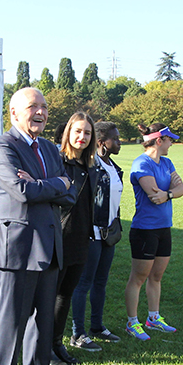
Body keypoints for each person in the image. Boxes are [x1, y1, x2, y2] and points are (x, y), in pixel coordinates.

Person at [0, 87, 76, 365]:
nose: (40, 112)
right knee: (12, 322)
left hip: (50, 245)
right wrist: (55, 184)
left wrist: (49, 184)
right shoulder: (2, 146)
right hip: (17, 250)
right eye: (32, 106)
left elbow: (71, 193)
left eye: (44, 106)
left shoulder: (50, 148)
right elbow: (21, 191)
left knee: (43, 318)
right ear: (13, 113)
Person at [124, 123, 183, 341]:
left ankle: (153, 317)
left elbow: (180, 190)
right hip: (145, 229)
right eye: (170, 140)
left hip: (164, 228)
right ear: (159, 140)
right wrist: (171, 192)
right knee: (138, 277)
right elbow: (154, 195)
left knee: (157, 276)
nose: (172, 144)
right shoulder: (141, 163)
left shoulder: (167, 162)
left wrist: (168, 194)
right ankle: (132, 322)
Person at [51, 112, 98, 365]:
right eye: (78, 131)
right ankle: (42, 349)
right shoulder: (57, 161)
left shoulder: (90, 167)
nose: (82, 137)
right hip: (57, 238)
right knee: (49, 297)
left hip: (81, 238)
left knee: (65, 295)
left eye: (87, 133)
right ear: (68, 132)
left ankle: (57, 344)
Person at [70, 121, 123, 346]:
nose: (119, 142)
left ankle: (97, 326)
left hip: (109, 234)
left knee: (101, 282)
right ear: (101, 142)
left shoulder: (114, 167)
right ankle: (77, 333)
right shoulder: (90, 166)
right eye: (116, 139)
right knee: (84, 283)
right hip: (91, 234)